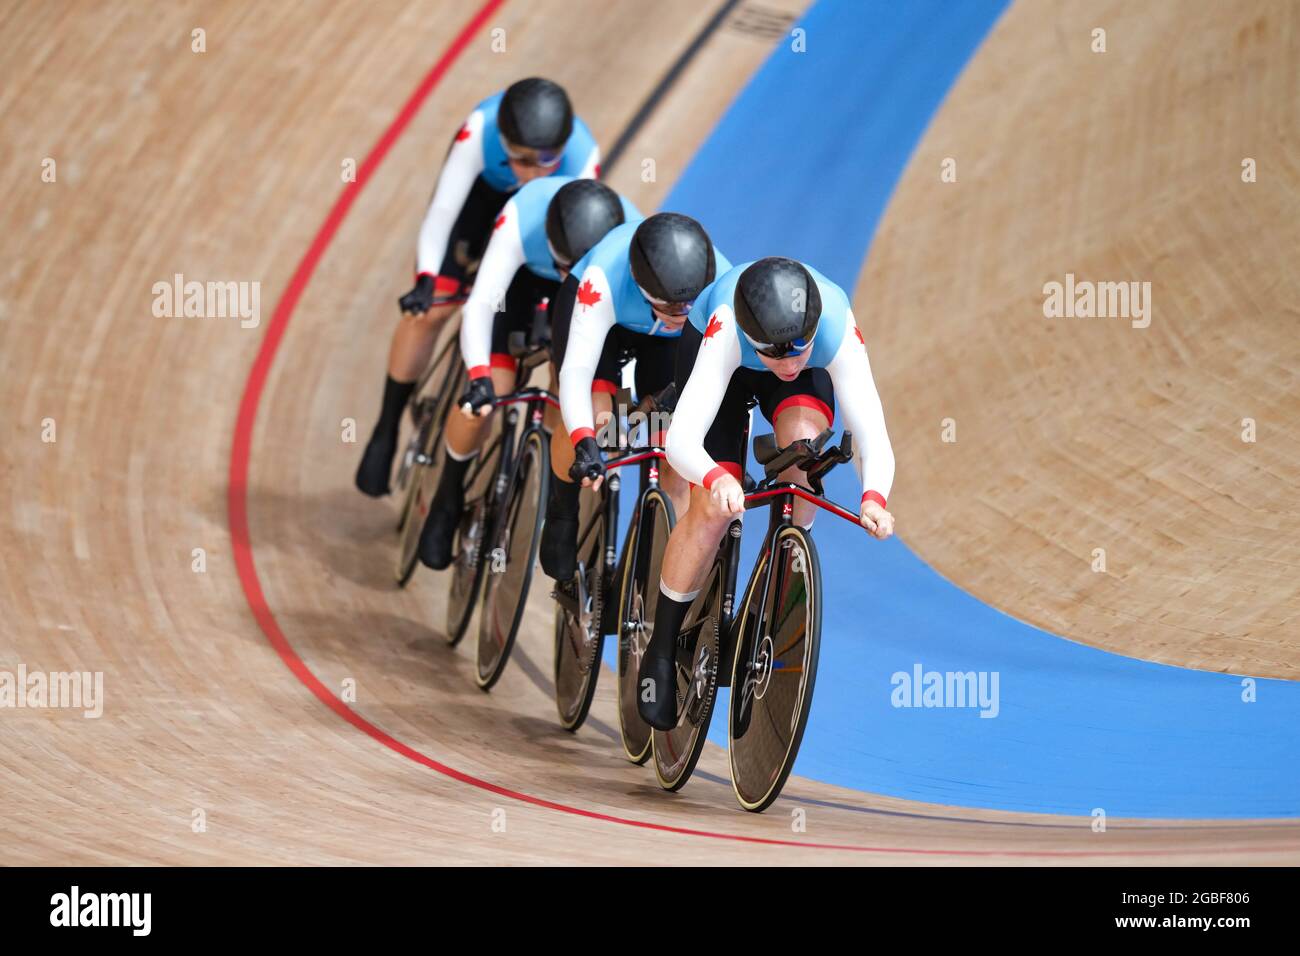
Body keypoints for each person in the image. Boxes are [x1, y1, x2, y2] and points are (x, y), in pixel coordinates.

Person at [637, 256, 896, 730]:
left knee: (804, 458)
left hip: (781, 367)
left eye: (800, 349)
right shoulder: (724, 328)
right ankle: (661, 646)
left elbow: (872, 433)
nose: (791, 363)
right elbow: (681, 442)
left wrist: (874, 497)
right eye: (776, 354)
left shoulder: (835, 325)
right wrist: (716, 478)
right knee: (711, 511)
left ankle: (768, 595)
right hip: (725, 367)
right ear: (752, 338)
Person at [355, 77, 599, 497]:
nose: (535, 172)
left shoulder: (583, 155)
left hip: (535, 229)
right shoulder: (478, 131)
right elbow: (443, 210)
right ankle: (386, 425)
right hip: (481, 204)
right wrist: (427, 278)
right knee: (430, 311)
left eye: (547, 160)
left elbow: (577, 239)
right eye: (521, 158)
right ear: (502, 142)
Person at [416, 177, 639, 569]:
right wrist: (480, 376)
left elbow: (633, 334)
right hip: (524, 285)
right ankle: (447, 497)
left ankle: (550, 478)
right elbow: (481, 305)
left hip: (592, 302)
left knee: (575, 391)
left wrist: (627, 400)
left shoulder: (634, 244)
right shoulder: (520, 220)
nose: (572, 273)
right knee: (494, 388)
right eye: (567, 266)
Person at [540, 213, 732, 580]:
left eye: (690, 305)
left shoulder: (722, 284)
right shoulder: (603, 278)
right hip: (609, 325)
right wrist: (584, 441)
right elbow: (575, 374)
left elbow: (730, 378)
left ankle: (655, 570)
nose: (683, 313)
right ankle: (562, 508)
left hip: (669, 343)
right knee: (600, 422)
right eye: (672, 307)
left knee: (675, 449)